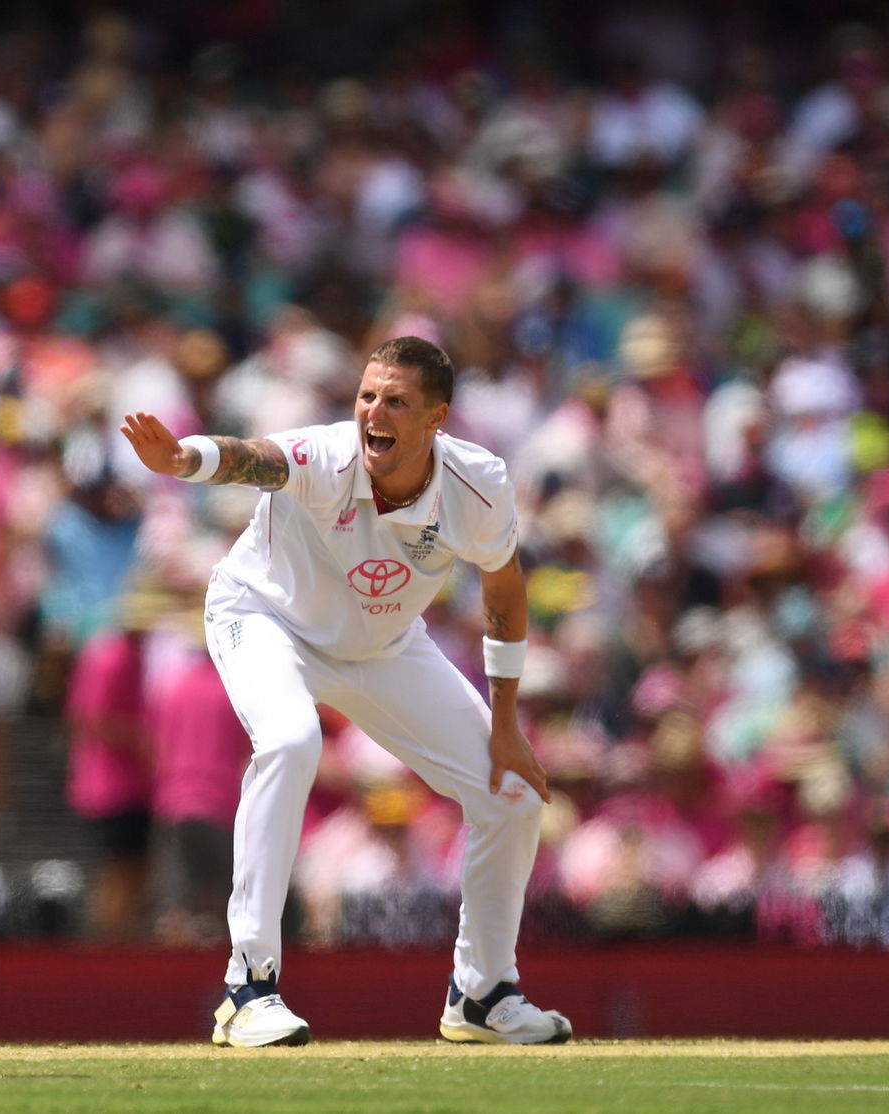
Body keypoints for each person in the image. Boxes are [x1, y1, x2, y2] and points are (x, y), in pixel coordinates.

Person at [120, 335, 571, 1047]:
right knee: (294, 739)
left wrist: (507, 722)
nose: (374, 413)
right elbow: (252, 457)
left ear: (436, 418)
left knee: (509, 792)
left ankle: (483, 993)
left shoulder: (478, 484)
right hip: (263, 617)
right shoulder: (326, 456)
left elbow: (505, 588)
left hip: (383, 645)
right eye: (367, 396)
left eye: (396, 401)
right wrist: (183, 459)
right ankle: (248, 987)